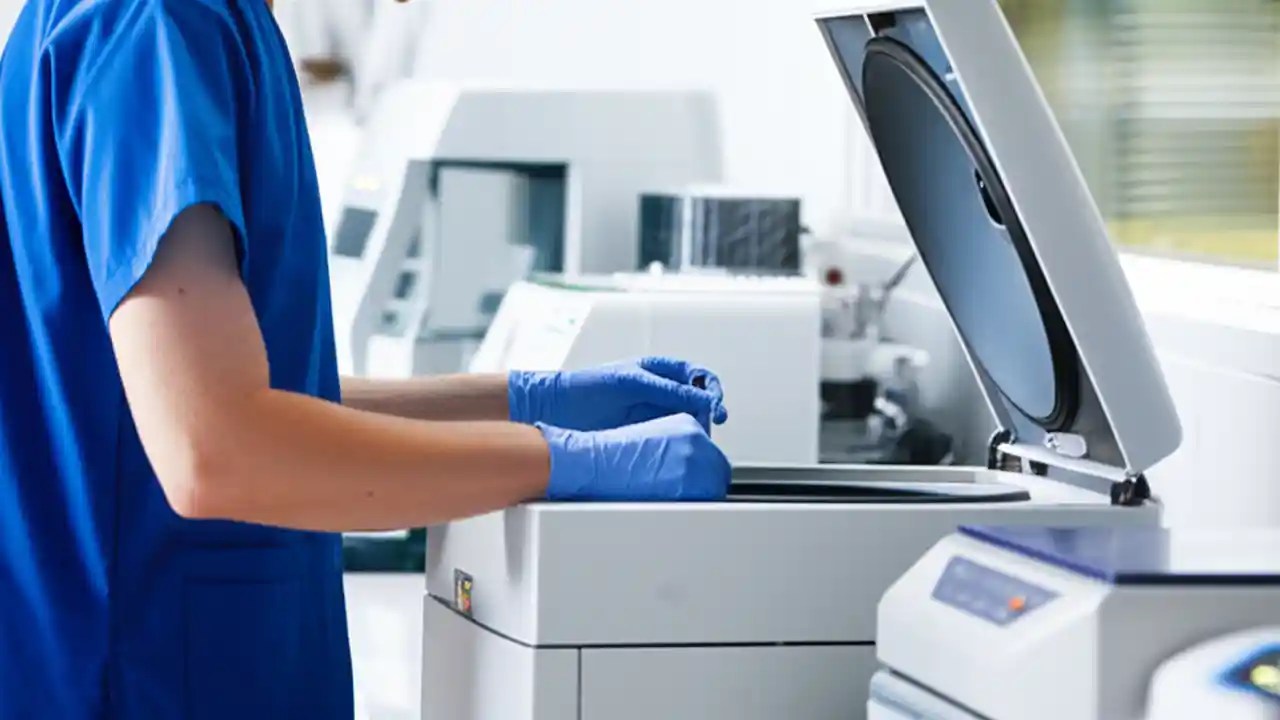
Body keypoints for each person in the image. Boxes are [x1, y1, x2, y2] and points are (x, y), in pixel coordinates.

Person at [0, 0, 732, 717]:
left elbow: (233, 400)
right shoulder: (160, 25)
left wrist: (526, 402)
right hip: (144, 674)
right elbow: (215, 449)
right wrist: (559, 460)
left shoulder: (188, 23)